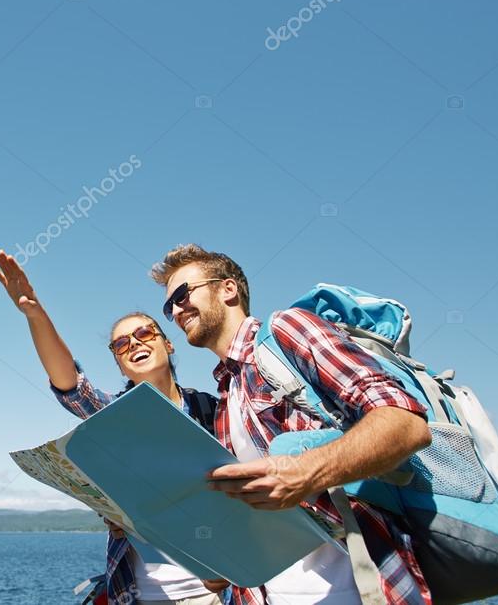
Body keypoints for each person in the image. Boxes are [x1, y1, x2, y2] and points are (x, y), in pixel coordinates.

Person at [151, 244, 433, 605]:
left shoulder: (286, 329)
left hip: (360, 589)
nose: (175, 310)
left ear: (228, 289)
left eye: (182, 294)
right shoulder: (226, 397)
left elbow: (405, 422)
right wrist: (222, 564)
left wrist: (304, 473)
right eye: (168, 305)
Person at [0, 250, 227, 605]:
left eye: (145, 333)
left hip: (217, 592)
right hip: (138, 593)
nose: (134, 344)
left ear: (167, 343)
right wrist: (35, 313)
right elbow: (69, 384)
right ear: (119, 364)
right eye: (121, 343)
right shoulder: (111, 415)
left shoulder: (213, 409)